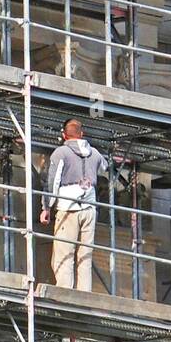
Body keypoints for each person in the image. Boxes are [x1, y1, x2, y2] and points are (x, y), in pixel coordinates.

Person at [39, 118, 108, 291]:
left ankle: (65, 291)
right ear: (82, 134)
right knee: (85, 254)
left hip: (68, 207)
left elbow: (52, 182)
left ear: (64, 135)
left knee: (64, 253)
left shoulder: (61, 153)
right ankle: (85, 292)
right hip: (90, 207)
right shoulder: (95, 153)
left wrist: (46, 207)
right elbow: (105, 168)